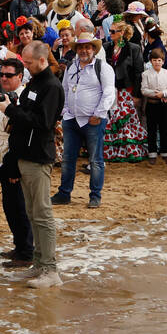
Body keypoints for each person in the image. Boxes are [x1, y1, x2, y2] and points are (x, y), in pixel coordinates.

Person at [0, 42, 65, 288]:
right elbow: (26, 114)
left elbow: (43, 122)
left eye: (27, 63)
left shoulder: (52, 86)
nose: (24, 67)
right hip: (24, 155)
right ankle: (38, 264)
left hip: (38, 156)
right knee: (32, 212)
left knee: (42, 213)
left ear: (42, 60)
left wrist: (10, 111)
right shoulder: (35, 82)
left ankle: (50, 269)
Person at [54, 33, 113, 207]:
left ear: (94, 49)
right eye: (80, 47)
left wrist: (98, 114)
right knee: (68, 159)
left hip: (93, 120)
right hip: (72, 119)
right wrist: (65, 111)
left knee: (95, 160)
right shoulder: (71, 66)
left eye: (87, 47)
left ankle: (95, 195)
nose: (84, 50)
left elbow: (109, 93)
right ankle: (64, 193)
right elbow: (64, 88)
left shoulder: (103, 67)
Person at [0, 56, 35, 268]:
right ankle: (20, 247)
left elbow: (22, 132)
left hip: (15, 160)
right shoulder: (6, 96)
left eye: (9, 75)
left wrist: (15, 164)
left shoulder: (23, 98)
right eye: (2, 75)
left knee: (19, 207)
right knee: (10, 207)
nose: (4, 78)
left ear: (20, 76)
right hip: (2, 158)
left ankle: (26, 252)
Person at [102, 19, 148, 164]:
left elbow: (138, 72)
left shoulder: (133, 48)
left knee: (127, 121)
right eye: (110, 31)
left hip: (127, 90)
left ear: (122, 33)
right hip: (111, 90)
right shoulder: (106, 47)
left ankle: (130, 152)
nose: (110, 34)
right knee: (111, 120)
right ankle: (113, 152)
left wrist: (136, 94)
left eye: (113, 31)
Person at [140, 48, 167, 159]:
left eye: (159, 60)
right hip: (151, 104)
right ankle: (152, 152)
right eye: (155, 60)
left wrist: (164, 93)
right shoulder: (145, 74)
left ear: (163, 61)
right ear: (151, 61)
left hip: (164, 104)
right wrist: (155, 94)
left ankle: (165, 151)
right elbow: (144, 90)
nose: (157, 62)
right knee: (151, 128)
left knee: (164, 128)